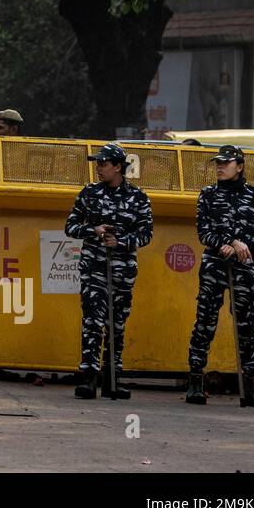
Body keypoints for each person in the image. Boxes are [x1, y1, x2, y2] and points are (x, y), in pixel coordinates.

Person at [64, 142, 153, 400]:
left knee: (117, 324)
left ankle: (112, 379)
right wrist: (94, 230)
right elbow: (70, 226)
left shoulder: (138, 197)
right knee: (92, 321)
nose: (99, 169)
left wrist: (122, 242)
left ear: (118, 167)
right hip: (94, 267)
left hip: (122, 271)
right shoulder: (89, 193)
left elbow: (146, 234)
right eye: (97, 164)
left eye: (103, 164)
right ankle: (88, 379)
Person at [185, 145, 254, 407]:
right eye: (217, 163)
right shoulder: (208, 195)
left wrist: (241, 245)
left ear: (240, 166)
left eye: (226, 162)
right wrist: (229, 241)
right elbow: (204, 232)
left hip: (244, 266)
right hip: (215, 265)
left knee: (247, 326)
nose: (220, 167)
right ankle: (195, 382)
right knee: (205, 322)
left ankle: (250, 386)